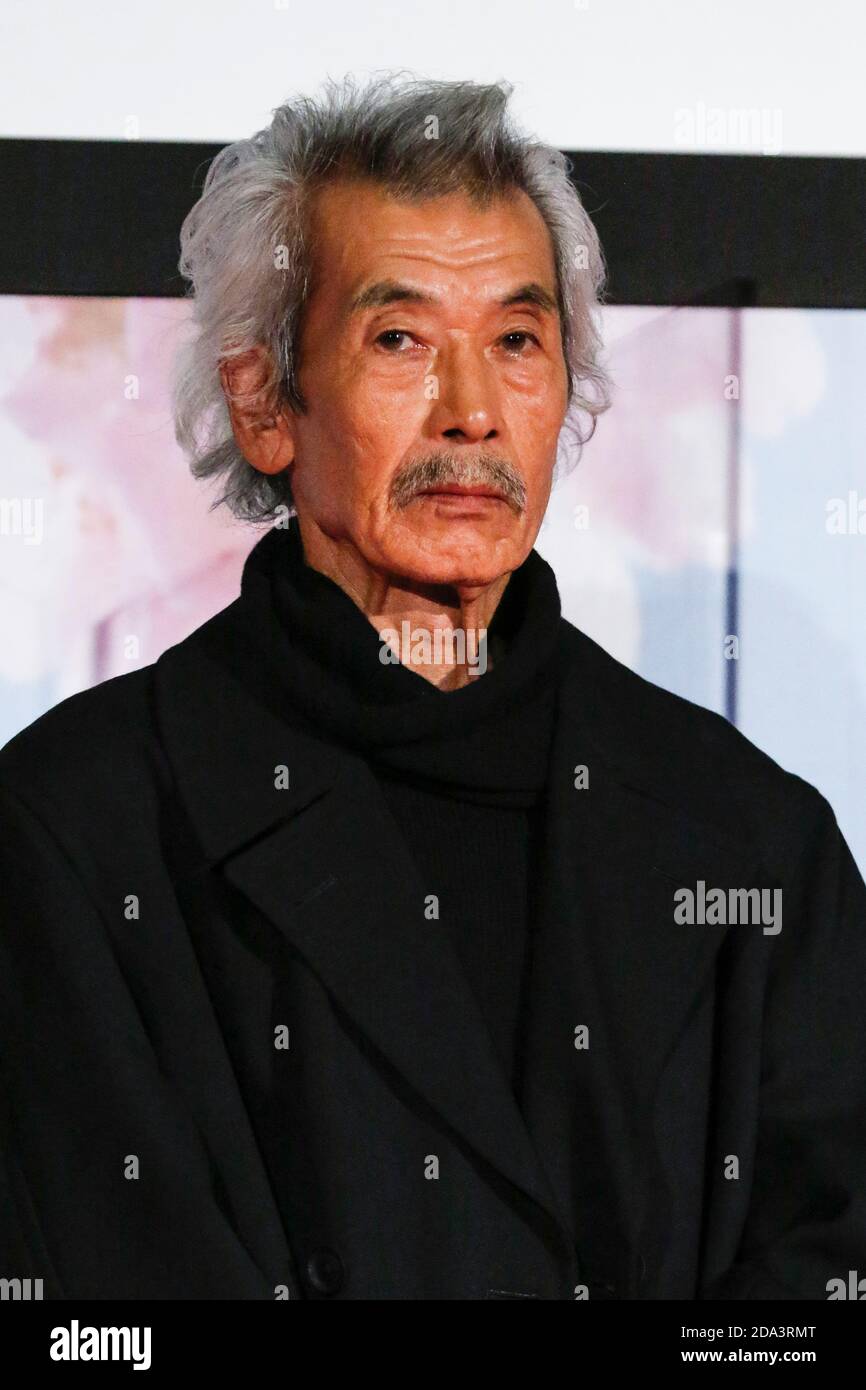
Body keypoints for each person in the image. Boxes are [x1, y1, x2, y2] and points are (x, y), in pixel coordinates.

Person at [1, 74, 864, 1301]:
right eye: (399, 339)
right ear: (262, 401)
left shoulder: (748, 840)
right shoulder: (75, 831)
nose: (471, 412)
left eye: (516, 341)